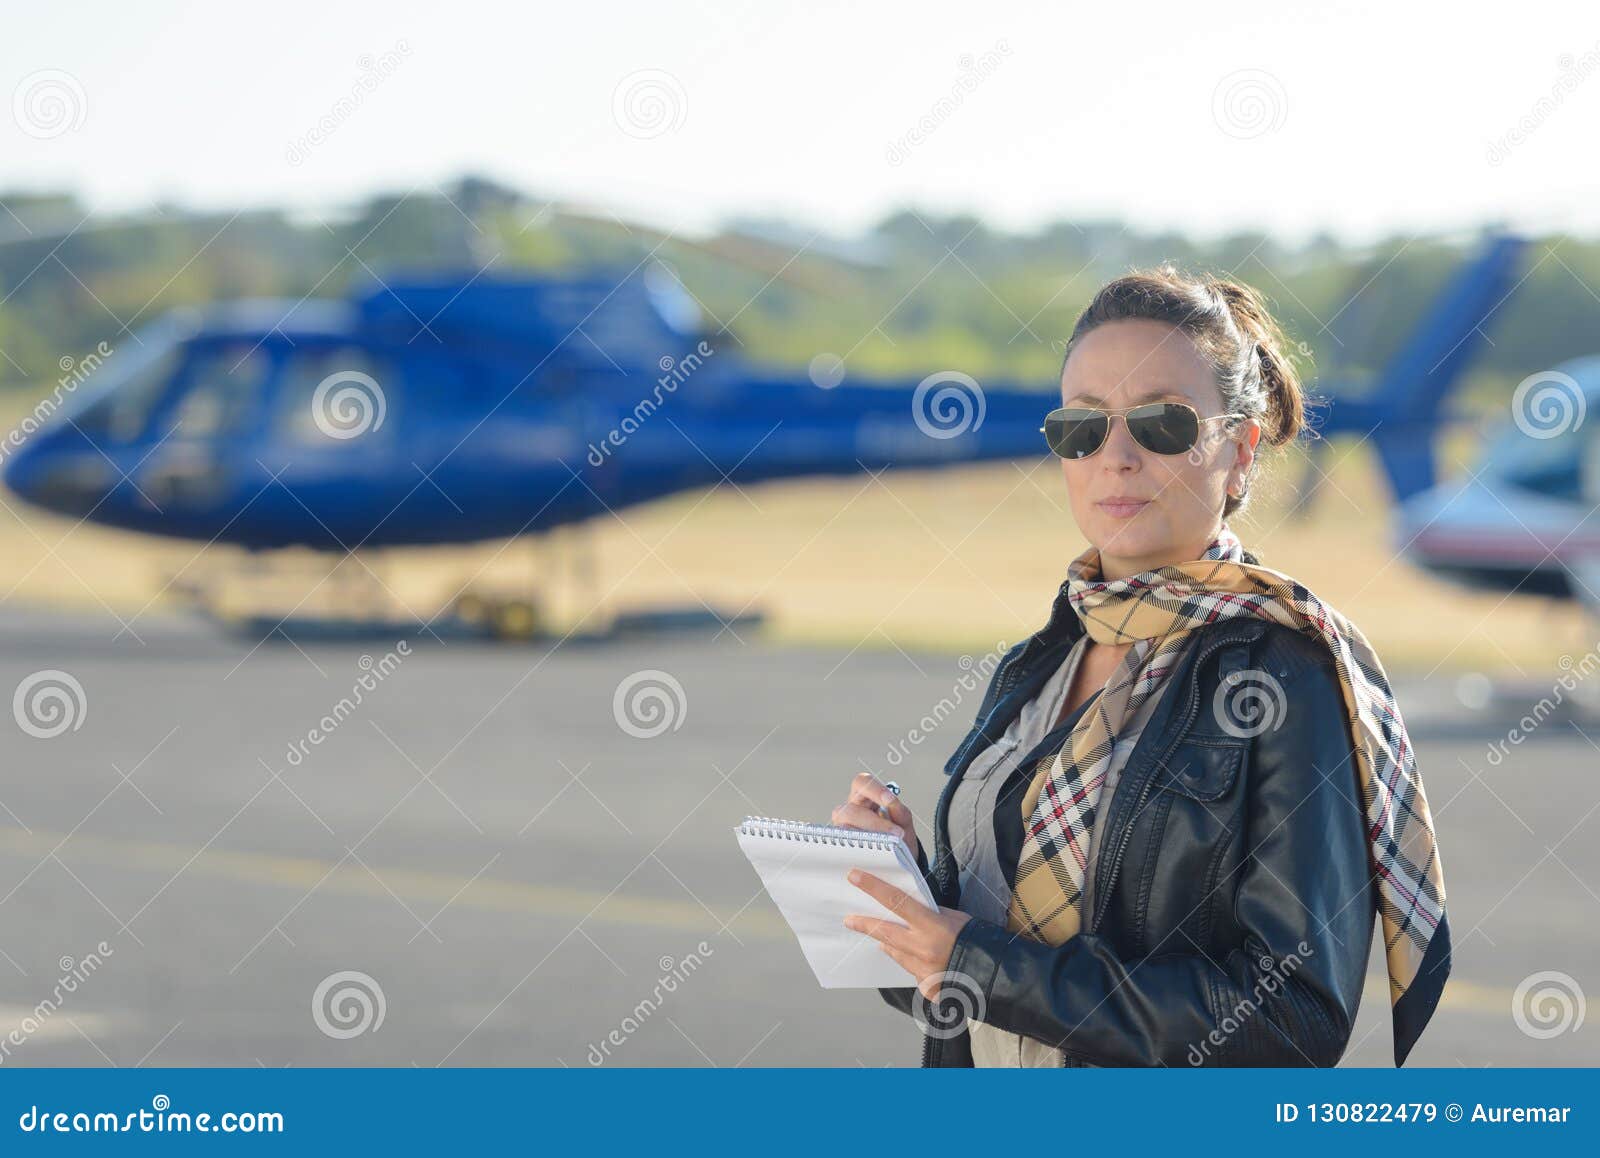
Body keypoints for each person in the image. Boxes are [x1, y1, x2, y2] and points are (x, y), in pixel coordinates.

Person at [831, 266, 1450, 1067]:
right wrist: (905, 893)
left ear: (1241, 452)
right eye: (1082, 427)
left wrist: (979, 965)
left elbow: (1293, 1023)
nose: (1115, 456)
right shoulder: (1038, 662)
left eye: (1163, 422)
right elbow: (961, 981)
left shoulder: (1284, 675)